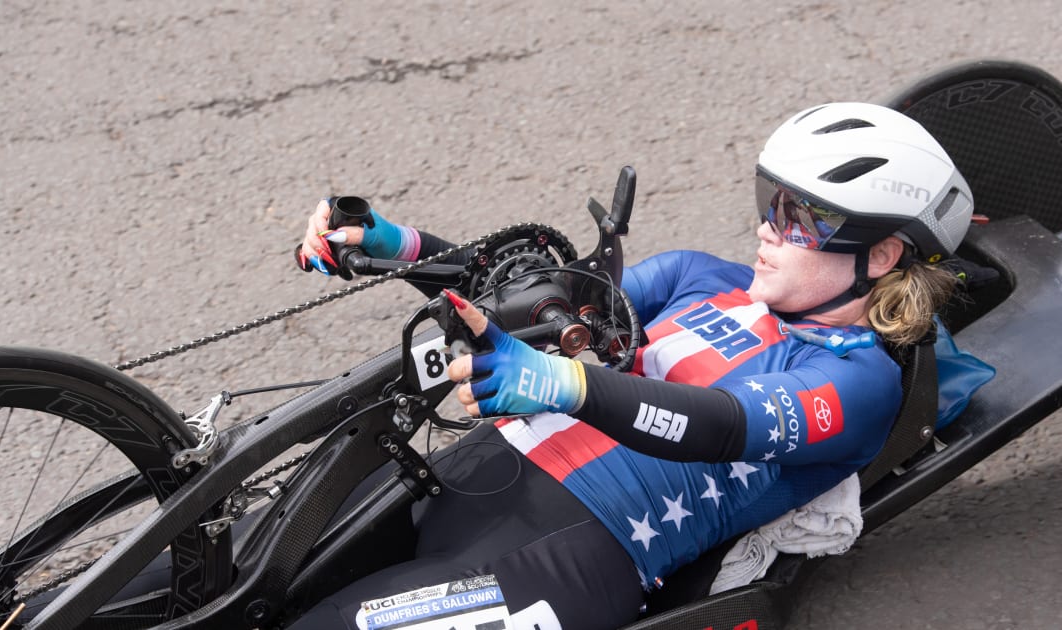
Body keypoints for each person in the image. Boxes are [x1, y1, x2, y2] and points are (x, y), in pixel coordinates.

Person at [291, 102, 973, 630]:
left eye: (798, 218)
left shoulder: (860, 381)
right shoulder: (696, 274)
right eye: (769, 199)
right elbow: (545, 308)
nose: (768, 227)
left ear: (879, 257)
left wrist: (567, 383)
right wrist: (400, 247)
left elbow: (716, 424)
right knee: (215, 574)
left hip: (568, 556)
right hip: (466, 476)